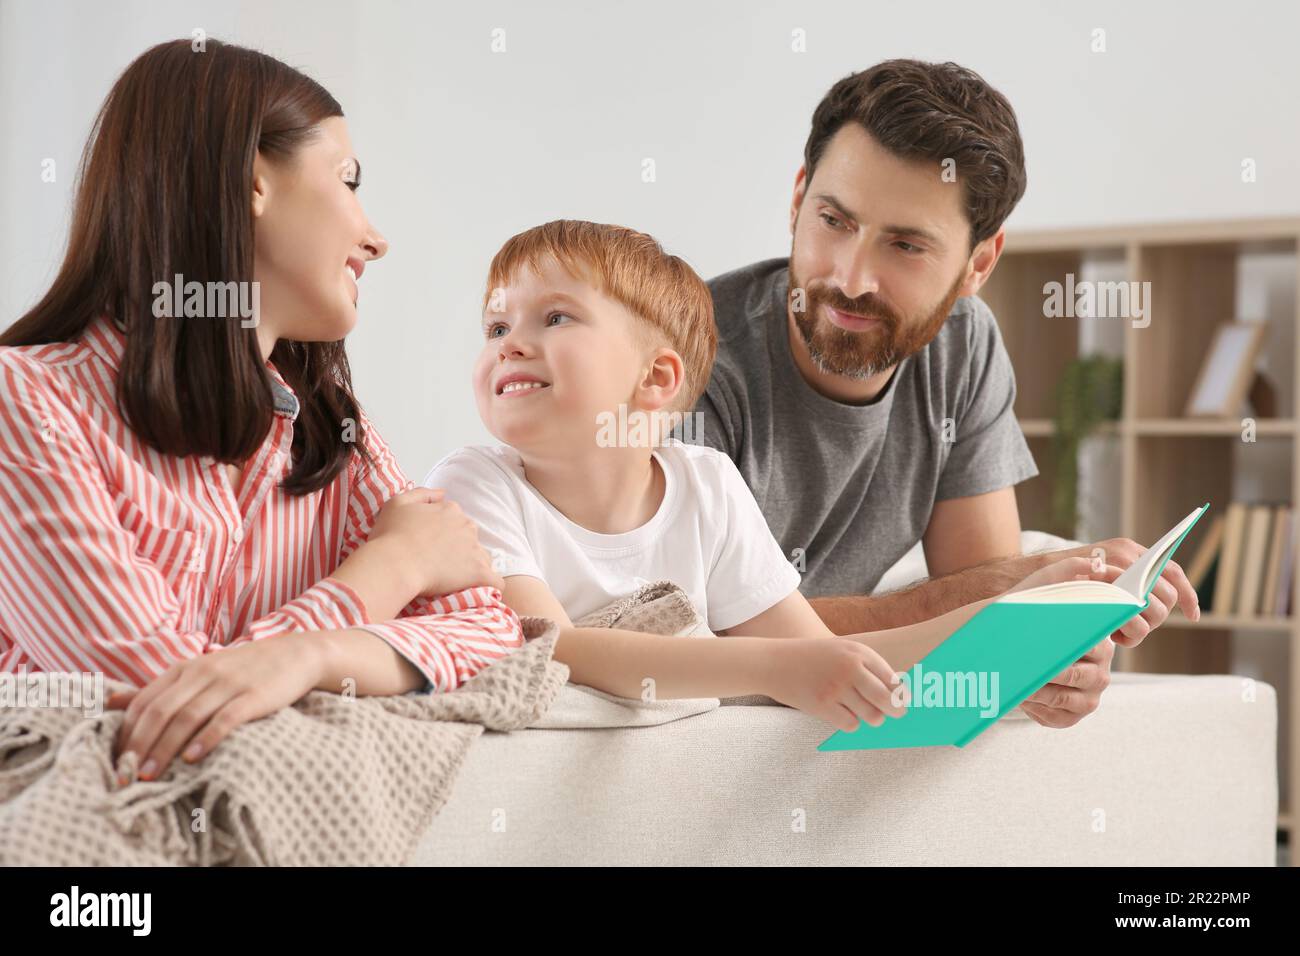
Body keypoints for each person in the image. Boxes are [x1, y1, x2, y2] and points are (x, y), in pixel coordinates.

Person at [0, 39, 521, 784]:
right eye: (349, 182)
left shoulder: (332, 430)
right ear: (252, 182)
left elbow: (487, 626)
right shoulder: (24, 402)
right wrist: (387, 570)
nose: (376, 237)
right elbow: (156, 696)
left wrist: (307, 654)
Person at [425, 219, 1107, 733]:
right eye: (495, 326)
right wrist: (774, 668)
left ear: (657, 377)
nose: (508, 342)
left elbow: (834, 658)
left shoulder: (707, 485)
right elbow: (553, 649)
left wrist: (1004, 624)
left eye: (553, 317)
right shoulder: (473, 484)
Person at [687, 59, 1199, 729]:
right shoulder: (687, 359)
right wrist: (1002, 597)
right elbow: (692, 637)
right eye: (834, 221)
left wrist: (1035, 661)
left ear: (978, 265)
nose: (852, 277)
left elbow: (977, 591)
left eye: (904, 245)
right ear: (797, 198)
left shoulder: (963, 345)